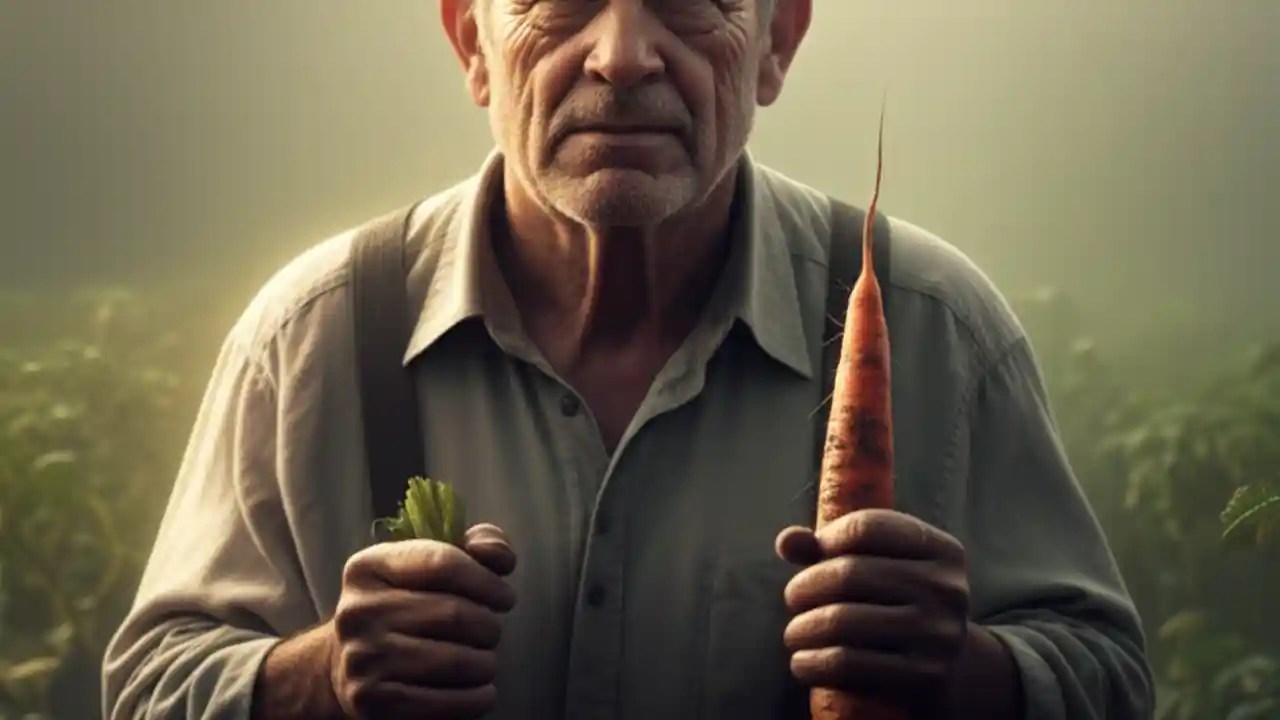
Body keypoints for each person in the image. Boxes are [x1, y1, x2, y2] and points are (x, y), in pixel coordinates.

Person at [102, 1, 1154, 718]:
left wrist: (971, 676)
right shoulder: (315, 336)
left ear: (775, 38)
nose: (620, 56)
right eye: (560, 3)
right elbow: (148, 684)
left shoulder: (936, 328)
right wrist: (316, 680)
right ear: (472, 39)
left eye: (683, 0)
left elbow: (1107, 675)